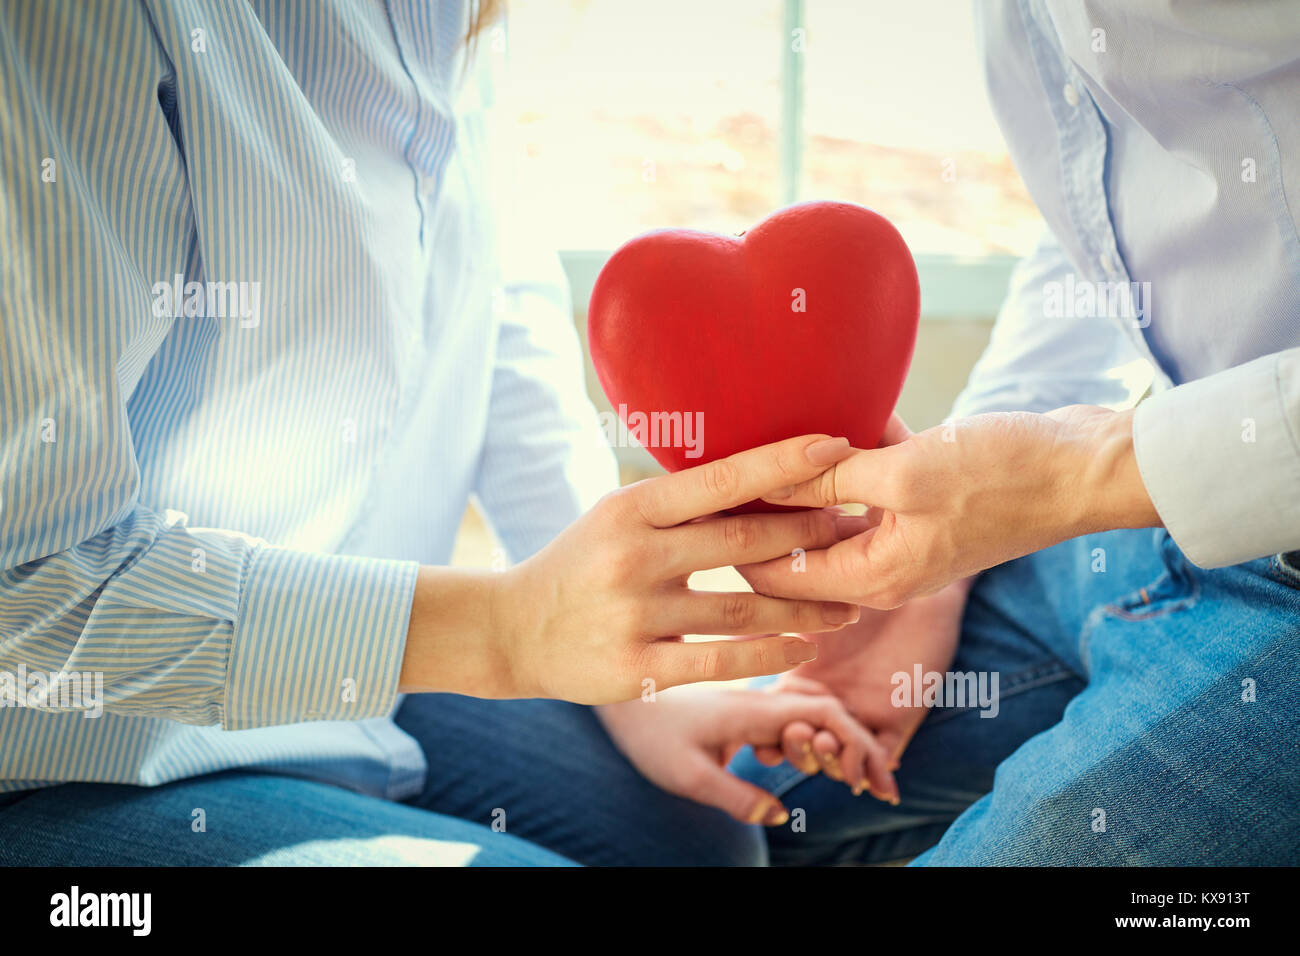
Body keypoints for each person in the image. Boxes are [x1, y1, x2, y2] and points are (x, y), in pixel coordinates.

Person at [0, 0, 896, 867]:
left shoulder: (454, 24)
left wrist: (631, 664)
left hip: (360, 681)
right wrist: (507, 632)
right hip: (71, 745)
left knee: (704, 841)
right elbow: (22, 585)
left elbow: (501, 325)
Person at [732, 0, 1300, 865]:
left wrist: (1078, 477)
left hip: (1241, 534)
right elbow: (1116, 217)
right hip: (1149, 510)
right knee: (758, 806)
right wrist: (955, 554)